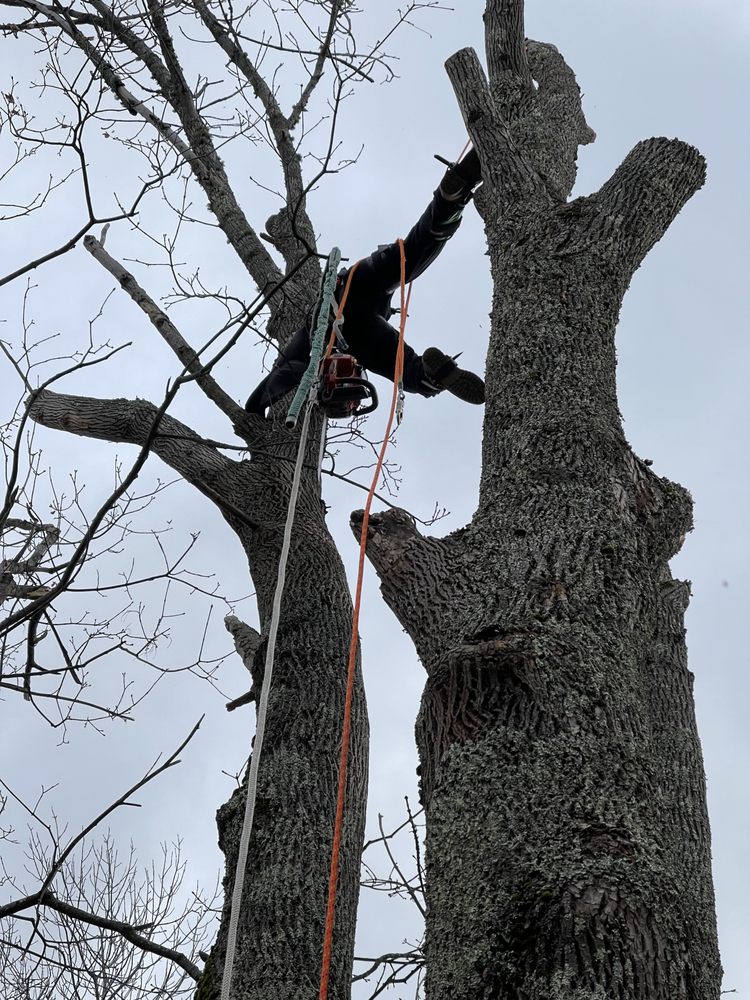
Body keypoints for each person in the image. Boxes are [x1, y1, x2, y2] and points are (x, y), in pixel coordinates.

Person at [246, 148, 485, 417]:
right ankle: (450, 197)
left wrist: (255, 411)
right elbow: (279, 377)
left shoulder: (314, 342)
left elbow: (278, 379)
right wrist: (255, 407)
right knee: (411, 254)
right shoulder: (308, 343)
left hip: (350, 303)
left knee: (409, 372)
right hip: (360, 286)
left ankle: (433, 378)